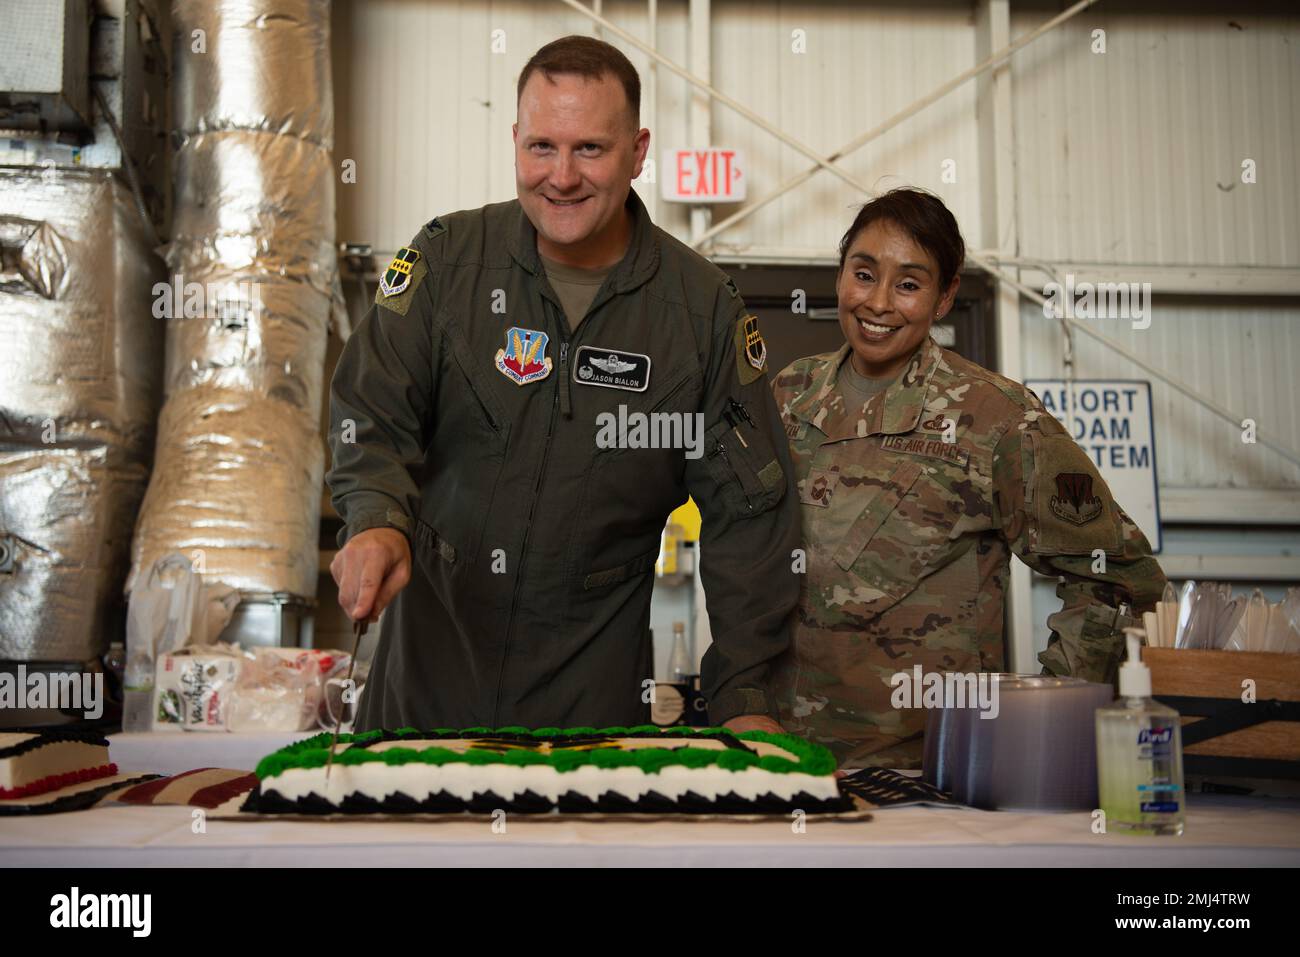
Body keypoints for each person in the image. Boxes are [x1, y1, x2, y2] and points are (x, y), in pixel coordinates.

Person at [327, 36, 798, 735]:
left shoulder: (701, 313)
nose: (562, 176)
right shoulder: (446, 263)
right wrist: (375, 521)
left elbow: (751, 514)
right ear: (515, 139)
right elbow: (369, 414)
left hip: (591, 713)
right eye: (542, 146)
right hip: (422, 699)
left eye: (590, 150)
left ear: (638, 153)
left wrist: (746, 695)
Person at [771, 188, 1167, 769]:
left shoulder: (994, 417)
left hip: (928, 774)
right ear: (840, 277)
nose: (878, 302)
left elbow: (1119, 578)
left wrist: (1043, 718)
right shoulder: (787, 394)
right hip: (782, 760)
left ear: (944, 297)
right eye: (863, 274)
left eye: (908, 284)